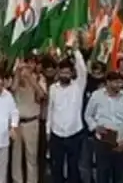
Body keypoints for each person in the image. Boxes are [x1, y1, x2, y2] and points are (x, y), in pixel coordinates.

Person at [83, 72, 123, 183]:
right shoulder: (97, 95)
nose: (119, 85)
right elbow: (88, 115)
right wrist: (95, 127)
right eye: (116, 82)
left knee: (121, 176)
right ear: (108, 82)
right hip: (103, 141)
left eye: (120, 82)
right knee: (103, 174)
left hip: (121, 142)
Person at [47, 51, 87, 183]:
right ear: (58, 73)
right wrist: (48, 130)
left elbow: (83, 70)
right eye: (62, 72)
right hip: (56, 133)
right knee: (56, 167)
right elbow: (50, 109)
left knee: (73, 167)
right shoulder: (53, 88)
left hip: (74, 133)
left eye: (67, 73)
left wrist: (76, 51)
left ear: (72, 73)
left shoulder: (78, 86)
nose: (65, 75)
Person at [11, 62, 44, 183]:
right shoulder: (16, 78)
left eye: (30, 64)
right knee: (16, 156)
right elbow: (13, 89)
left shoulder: (39, 78)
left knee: (31, 156)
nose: (27, 67)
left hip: (32, 122)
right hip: (17, 123)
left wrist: (30, 78)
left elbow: (41, 95)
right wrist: (18, 73)